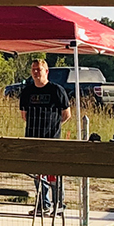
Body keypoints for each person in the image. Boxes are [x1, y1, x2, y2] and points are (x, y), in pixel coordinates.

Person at [17, 59, 71, 215]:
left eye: (39, 69)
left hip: (52, 139)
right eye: (33, 69)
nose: (36, 72)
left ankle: (58, 204)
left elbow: (66, 114)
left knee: (53, 173)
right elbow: (24, 115)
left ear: (46, 71)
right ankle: (43, 204)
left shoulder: (57, 90)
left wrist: (53, 125)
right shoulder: (27, 91)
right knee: (38, 174)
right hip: (33, 139)